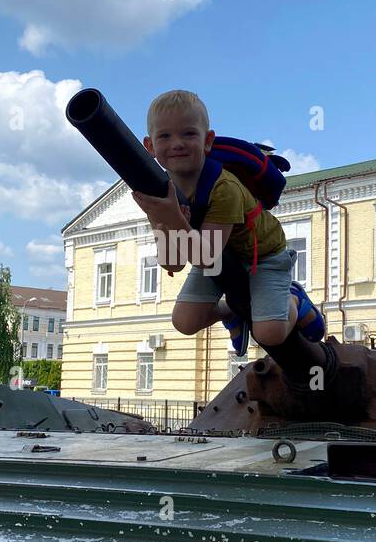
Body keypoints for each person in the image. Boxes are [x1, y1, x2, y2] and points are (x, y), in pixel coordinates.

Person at [130, 89, 324, 356]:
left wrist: (172, 217)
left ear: (207, 140)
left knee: (269, 333)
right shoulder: (163, 193)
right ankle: (232, 309)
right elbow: (172, 262)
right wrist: (161, 217)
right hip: (217, 252)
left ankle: (294, 299)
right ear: (149, 146)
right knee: (184, 322)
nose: (177, 143)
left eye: (188, 134)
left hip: (262, 255)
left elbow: (205, 256)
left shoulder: (223, 187)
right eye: (164, 136)